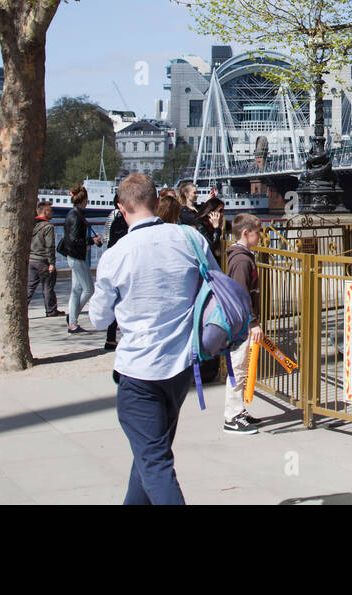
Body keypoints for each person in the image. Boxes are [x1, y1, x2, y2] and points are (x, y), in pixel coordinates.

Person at [89, 173, 208, 505]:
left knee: (155, 462)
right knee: (150, 452)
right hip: (180, 365)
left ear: (120, 209)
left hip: (139, 371)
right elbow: (213, 284)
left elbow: (99, 319)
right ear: (157, 202)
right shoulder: (190, 239)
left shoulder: (116, 254)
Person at [221, 213, 265, 435]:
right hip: (241, 325)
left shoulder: (242, 257)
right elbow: (241, 295)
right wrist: (253, 322)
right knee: (238, 368)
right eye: (258, 233)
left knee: (241, 367)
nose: (260, 237)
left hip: (242, 322)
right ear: (246, 233)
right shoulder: (241, 260)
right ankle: (232, 416)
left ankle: (239, 409)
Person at [60, 186, 102, 333]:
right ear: (84, 200)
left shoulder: (73, 214)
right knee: (88, 289)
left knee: (77, 290)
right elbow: (74, 240)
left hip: (74, 255)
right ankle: (72, 318)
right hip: (77, 256)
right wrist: (91, 241)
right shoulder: (76, 216)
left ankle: (72, 321)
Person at [28, 201, 63, 318]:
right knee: (47, 286)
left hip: (31, 259)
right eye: (50, 210)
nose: (52, 213)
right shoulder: (48, 226)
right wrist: (52, 263)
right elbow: (50, 246)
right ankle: (51, 310)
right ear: (45, 212)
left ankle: (22, 308)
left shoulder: (31, 224)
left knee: (30, 286)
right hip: (42, 260)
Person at [101, 204, 130, 350]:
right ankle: (112, 337)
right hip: (123, 264)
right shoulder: (123, 222)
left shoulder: (117, 220)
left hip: (115, 262)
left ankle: (111, 337)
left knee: (116, 300)